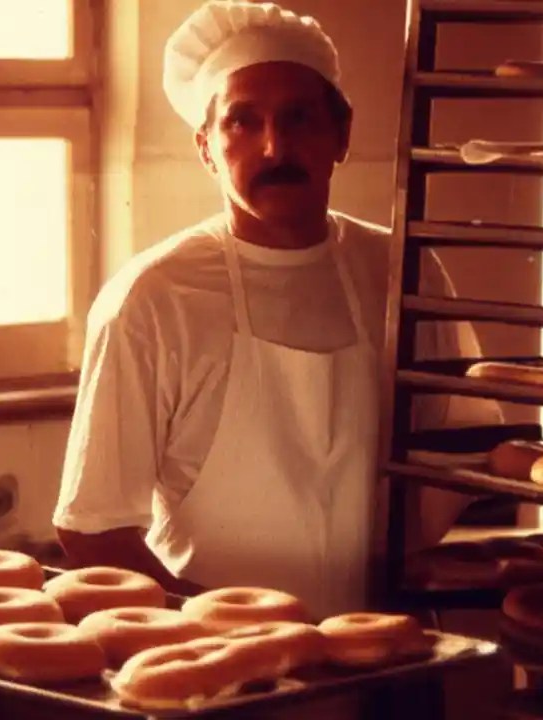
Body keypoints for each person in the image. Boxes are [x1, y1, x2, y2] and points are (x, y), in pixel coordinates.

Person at [53, 0, 501, 618]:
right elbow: (93, 529)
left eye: (299, 118)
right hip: (214, 669)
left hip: (376, 649)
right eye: (243, 122)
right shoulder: (152, 300)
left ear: (341, 134)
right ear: (206, 147)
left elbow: (461, 454)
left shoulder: (401, 272)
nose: (274, 146)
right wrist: (235, 632)